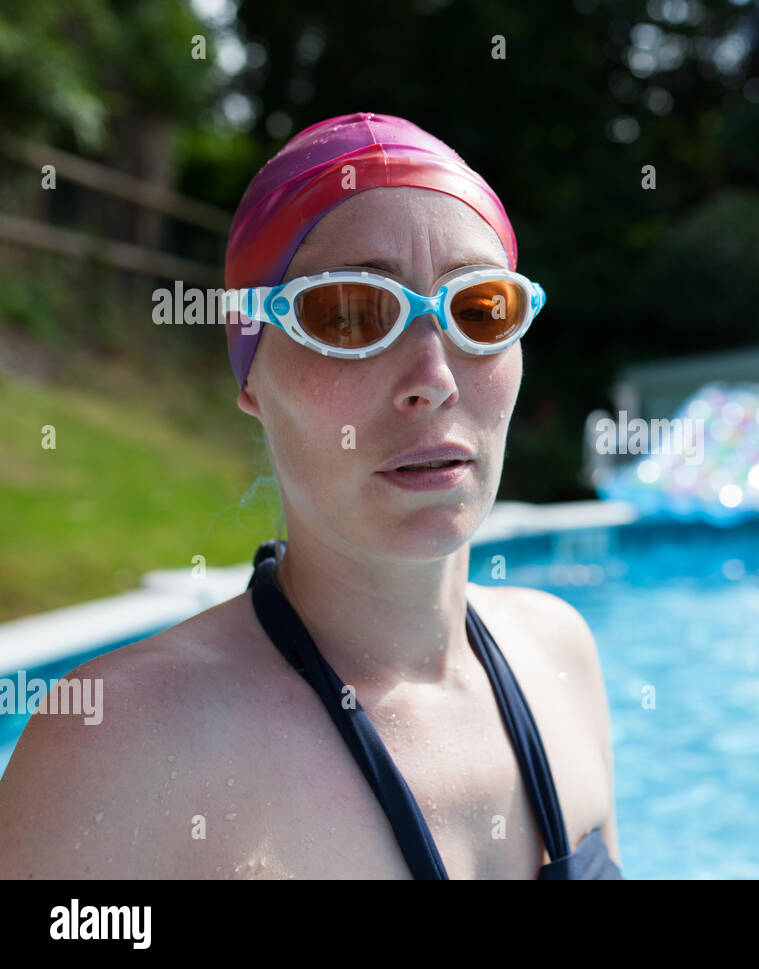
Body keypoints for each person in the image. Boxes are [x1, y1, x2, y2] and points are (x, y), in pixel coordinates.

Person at [0, 113, 621, 879]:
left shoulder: (559, 656)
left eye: (479, 308)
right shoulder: (118, 744)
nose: (433, 378)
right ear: (251, 380)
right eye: (349, 314)